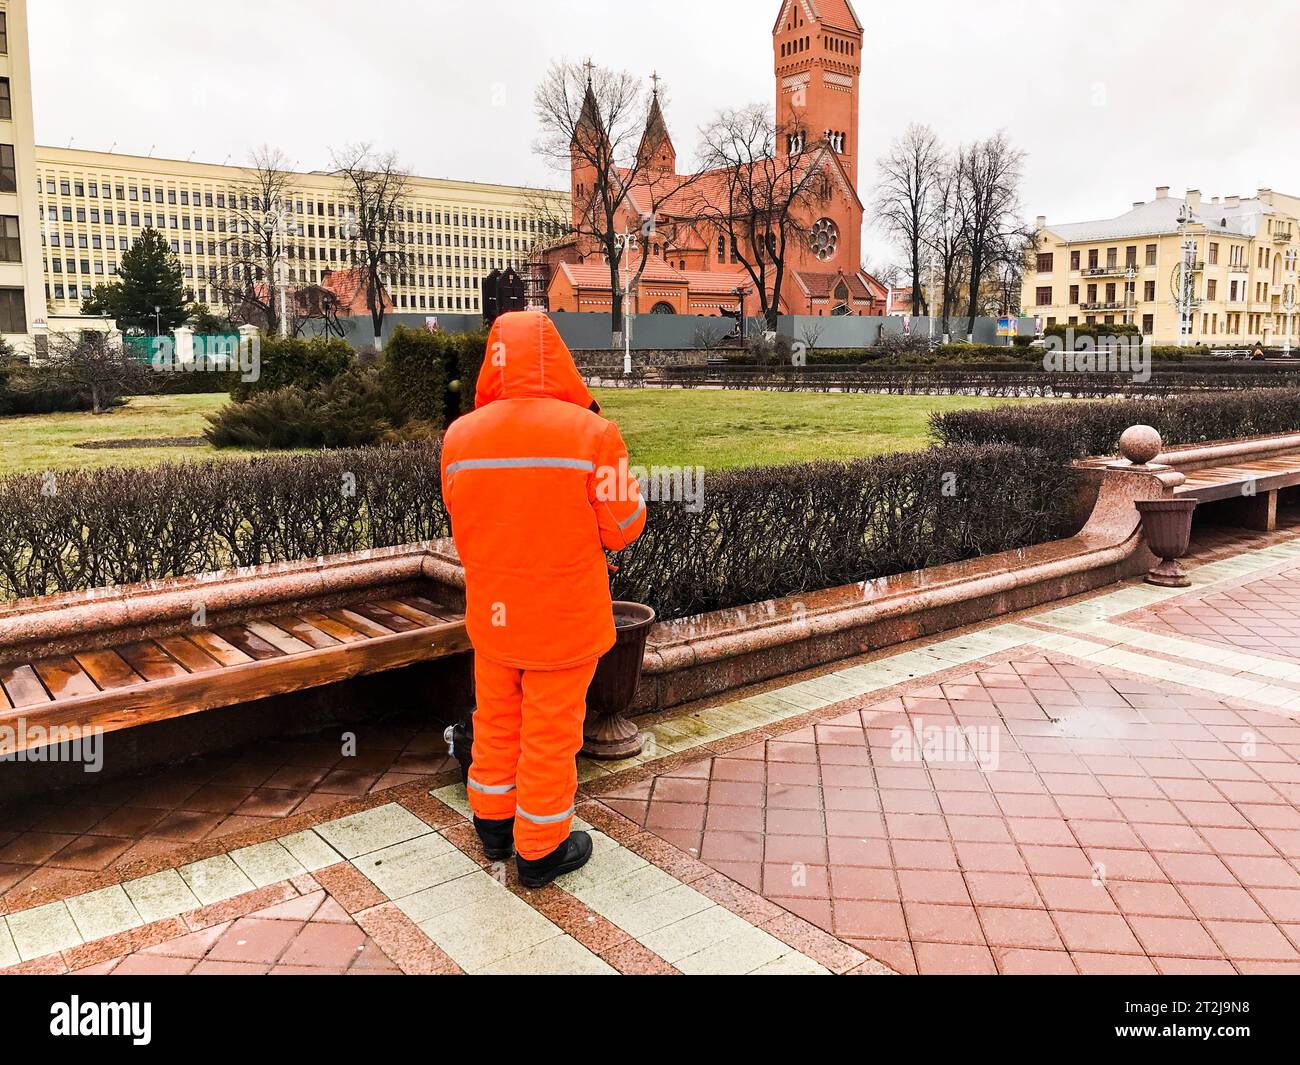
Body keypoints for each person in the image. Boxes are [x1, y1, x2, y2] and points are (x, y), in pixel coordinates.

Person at [441, 311, 647, 888]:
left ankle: (493, 825)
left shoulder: (460, 437)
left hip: (495, 613)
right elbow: (624, 524)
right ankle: (541, 847)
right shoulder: (590, 434)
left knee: (498, 720)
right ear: (557, 360)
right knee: (551, 732)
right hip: (564, 618)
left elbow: (462, 523)